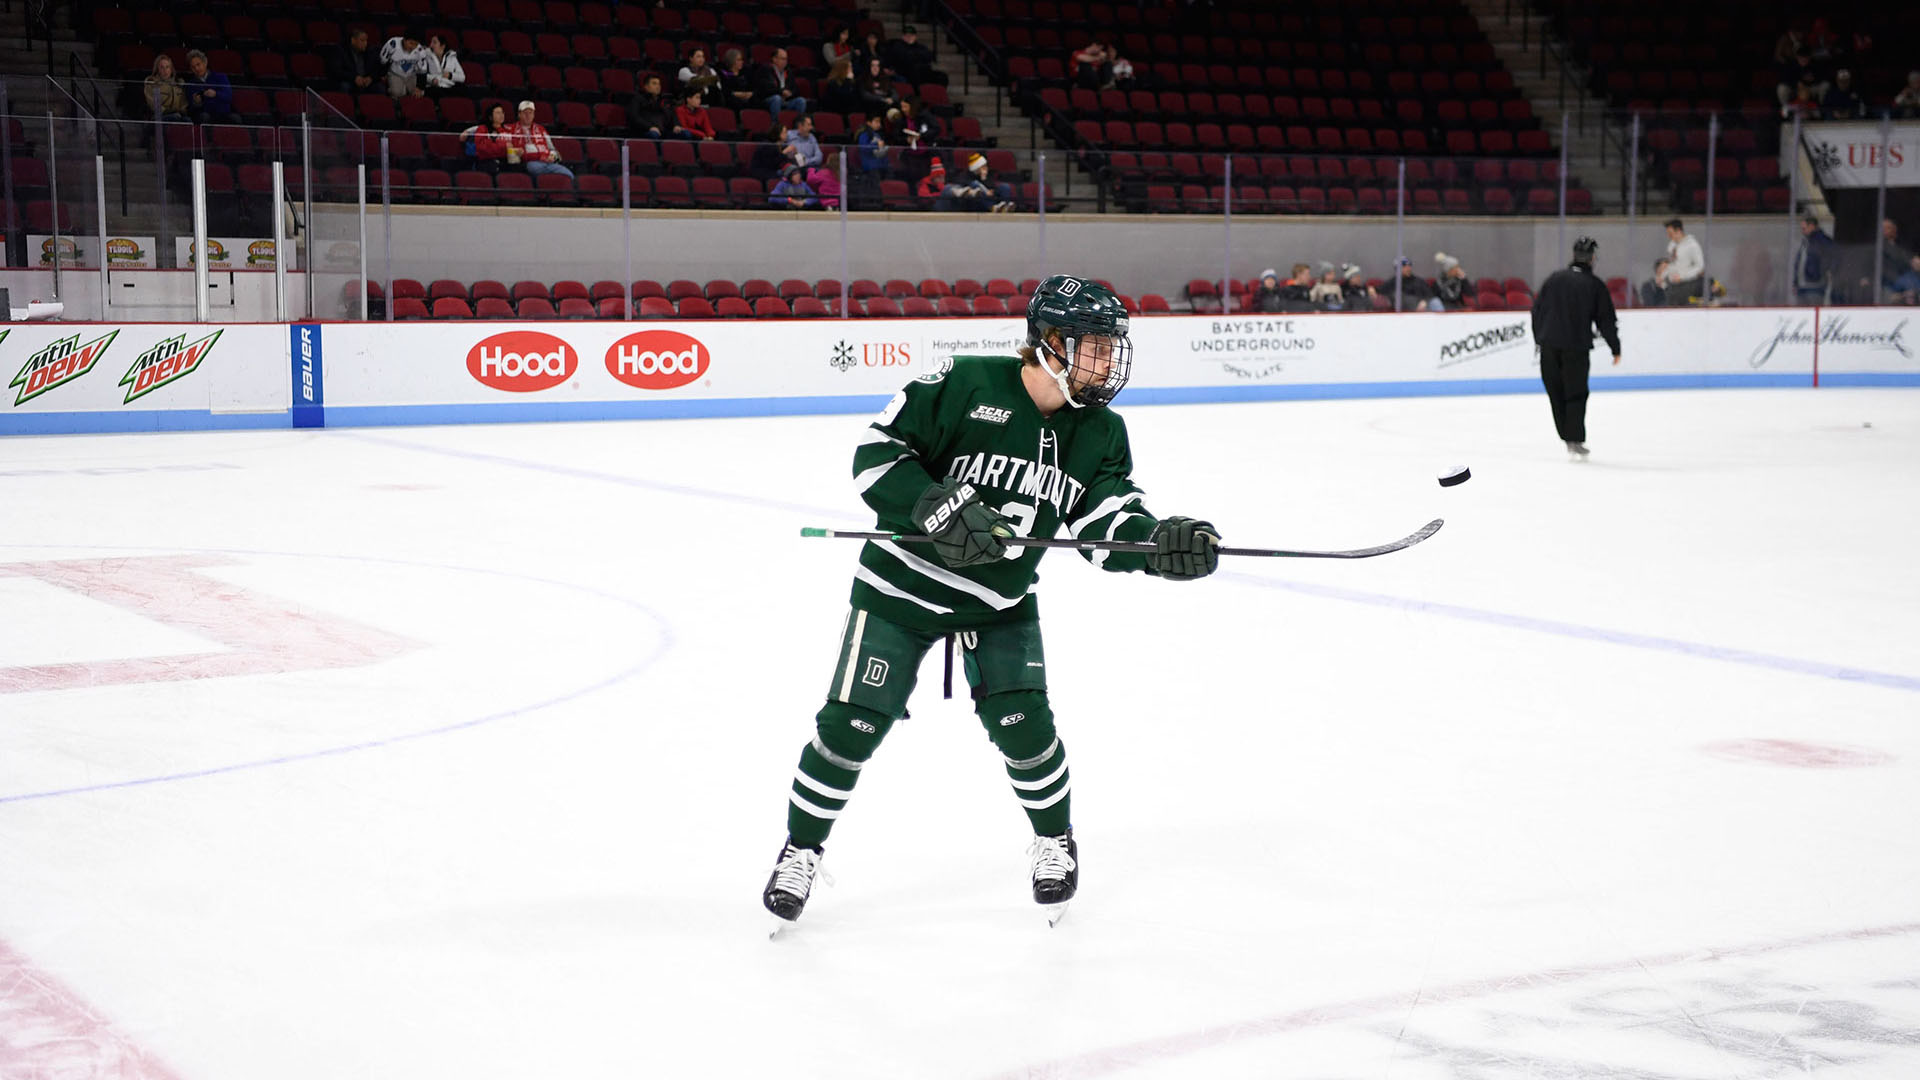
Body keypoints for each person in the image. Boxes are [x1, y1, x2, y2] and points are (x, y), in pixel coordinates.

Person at [759, 275, 1221, 926]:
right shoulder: (967, 381)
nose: (1109, 361)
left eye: (1113, 347)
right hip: (900, 590)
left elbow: (1104, 523)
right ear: (1051, 344)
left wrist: (1159, 544)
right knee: (849, 726)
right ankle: (800, 849)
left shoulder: (1100, 433)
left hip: (998, 602)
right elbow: (876, 454)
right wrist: (939, 507)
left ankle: (1054, 839)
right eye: (1095, 346)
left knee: (1027, 729)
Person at [1530, 236, 1621, 460]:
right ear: (1592, 259)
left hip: (1549, 347)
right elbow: (1606, 319)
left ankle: (1568, 436)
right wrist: (1615, 347)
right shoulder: (1594, 285)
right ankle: (1574, 438)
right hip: (1575, 348)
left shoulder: (1554, 279)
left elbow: (1536, 311)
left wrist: (1539, 338)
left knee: (1556, 392)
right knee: (1576, 393)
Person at [510, 101, 573, 178]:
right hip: (531, 163)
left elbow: (552, 149)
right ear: (519, 114)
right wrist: (540, 156)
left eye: (530, 113)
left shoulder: (541, 129)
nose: (528, 116)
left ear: (533, 115)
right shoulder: (512, 129)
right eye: (525, 113)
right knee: (533, 167)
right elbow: (521, 154)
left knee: (569, 175)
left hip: (549, 163)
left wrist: (552, 156)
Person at [1792, 214, 1838, 305]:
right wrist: (1796, 282)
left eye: (1804, 228)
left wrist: (1829, 272)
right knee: (1802, 315)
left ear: (1812, 226)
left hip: (1816, 286)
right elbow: (1800, 262)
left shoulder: (1823, 241)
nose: (1802, 231)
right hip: (1802, 286)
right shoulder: (1805, 242)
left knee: (1813, 311)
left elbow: (1834, 258)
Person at [462, 103, 514, 173]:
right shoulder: (482, 129)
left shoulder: (508, 129)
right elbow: (482, 148)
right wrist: (503, 146)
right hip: (487, 163)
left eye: (502, 112)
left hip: (506, 162)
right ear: (490, 116)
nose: (501, 115)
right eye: (498, 113)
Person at [379, 30, 431, 99]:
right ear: (404, 39)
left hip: (411, 75)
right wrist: (383, 74)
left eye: (415, 44)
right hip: (395, 73)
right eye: (411, 43)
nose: (412, 47)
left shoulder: (420, 50)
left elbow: (422, 71)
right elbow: (383, 60)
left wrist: (420, 87)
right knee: (397, 93)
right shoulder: (393, 44)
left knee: (417, 94)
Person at [1663, 219, 1705, 305]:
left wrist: (1683, 276)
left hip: (1687, 285)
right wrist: (1663, 275)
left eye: (1670, 233)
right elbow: (1671, 264)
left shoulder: (1692, 245)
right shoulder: (1671, 245)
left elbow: (1700, 266)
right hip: (1673, 286)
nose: (1669, 236)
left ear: (1678, 231)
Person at [183, 50, 232, 122]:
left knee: (235, 118)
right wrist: (196, 102)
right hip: (205, 114)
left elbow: (228, 96)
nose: (196, 69)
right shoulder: (190, 84)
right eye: (193, 67)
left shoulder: (220, 77)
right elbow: (191, 107)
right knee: (203, 117)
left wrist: (215, 94)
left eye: (198, 64)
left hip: (223, 113)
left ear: (205, 63)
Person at [331, 29, 380, 94]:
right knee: (344, 86)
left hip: (365, 82)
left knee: (379, 88)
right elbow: (336, 70)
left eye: (366, 40)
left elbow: (377, 69)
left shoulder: (370, 51)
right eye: (362, 40)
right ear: (353, 40)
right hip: (349, 80)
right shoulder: (341, 51)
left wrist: (371, 78)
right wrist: (354, 78)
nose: (365, 43)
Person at [143, 54, 188, 119]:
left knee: (187, 120)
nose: (165, 70)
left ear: (171, 69)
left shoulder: (179, 83)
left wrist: (182, 111)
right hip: (160, 116)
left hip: (178, 115)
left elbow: (184, 103)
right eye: (162, 67)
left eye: (167, 67)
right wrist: (166, 111)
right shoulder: (152, 83)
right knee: (175, 117)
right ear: (157, 69)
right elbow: (152, 104)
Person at [627, 74, 669, 139]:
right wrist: (650, 127)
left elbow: (667, 118)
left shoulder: (662, 101)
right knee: (654, 135)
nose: (658, 86)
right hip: (644, 131)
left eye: (659, 84)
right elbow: (634, 117)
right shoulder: (637, 99)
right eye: (654, 84)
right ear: (646, 86)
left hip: (661, 130)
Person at [856, 113, 891, 177]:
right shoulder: (864, 134)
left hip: (881, 166)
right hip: (870, 167)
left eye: (879, 122)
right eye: (876, 121)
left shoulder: (877, 135)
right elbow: (863, 148)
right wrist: (876, 144)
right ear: (869, 123)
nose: (879, 124)